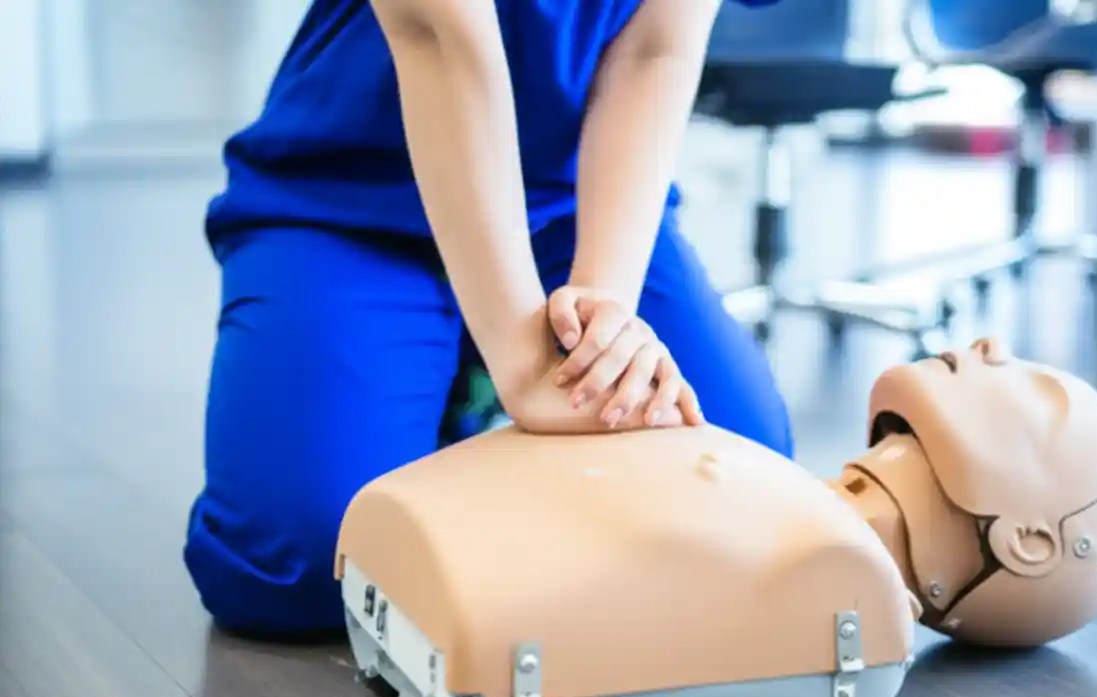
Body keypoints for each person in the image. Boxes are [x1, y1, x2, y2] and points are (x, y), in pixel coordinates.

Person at [182, 0, 791, 637]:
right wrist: (526, 364)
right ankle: (462, 379)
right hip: (350, 198)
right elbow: (436, 33)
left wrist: (598, 330)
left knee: (746, 496)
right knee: (312, 558)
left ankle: (458, 381)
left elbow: (653, 49)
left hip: (568, 202)